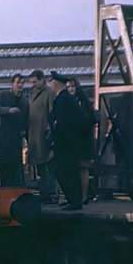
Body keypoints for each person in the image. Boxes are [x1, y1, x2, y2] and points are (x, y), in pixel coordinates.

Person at [47, 72, 86, 210]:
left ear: (56, 83)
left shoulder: (64, 100)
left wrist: (56, 139)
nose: (49, 85)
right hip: (67, 143)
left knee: (66, 172)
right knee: (66, 172)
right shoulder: (65, 99)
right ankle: (73, 199)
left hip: (66, 143)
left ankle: (74, 201)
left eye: (50, 82)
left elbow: (62, 122)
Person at [0, 74, 28, 187]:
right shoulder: (3, 95)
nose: (20, 85)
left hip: (15, 139)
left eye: (22, 83)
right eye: (18, 83)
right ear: (12, 84)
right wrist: (8, 110)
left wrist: (23, 132)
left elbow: (26, 118)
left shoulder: (24, 101)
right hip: (3, 136)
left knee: (15, 166)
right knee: (3, 165)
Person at [65, 78, 97, 204]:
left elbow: (90, 119)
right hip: (72, 140)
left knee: (83, 169)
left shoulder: (83, 103)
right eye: (68, 87)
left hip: (83, 140)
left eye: (72, 86)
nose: (71, 89)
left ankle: (84, 196)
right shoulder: (68, 102)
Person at [27, 69, 56, 203]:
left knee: (47, 167)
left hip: (43, 135)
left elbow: (52, 114)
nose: (32, 85)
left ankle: (49, 194)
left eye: (34, 82)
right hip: (34, 136)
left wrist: (49, 131)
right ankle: (44, 193)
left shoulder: (49, 93)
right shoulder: (32, 94)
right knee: (40, 167)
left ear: (41, 80)